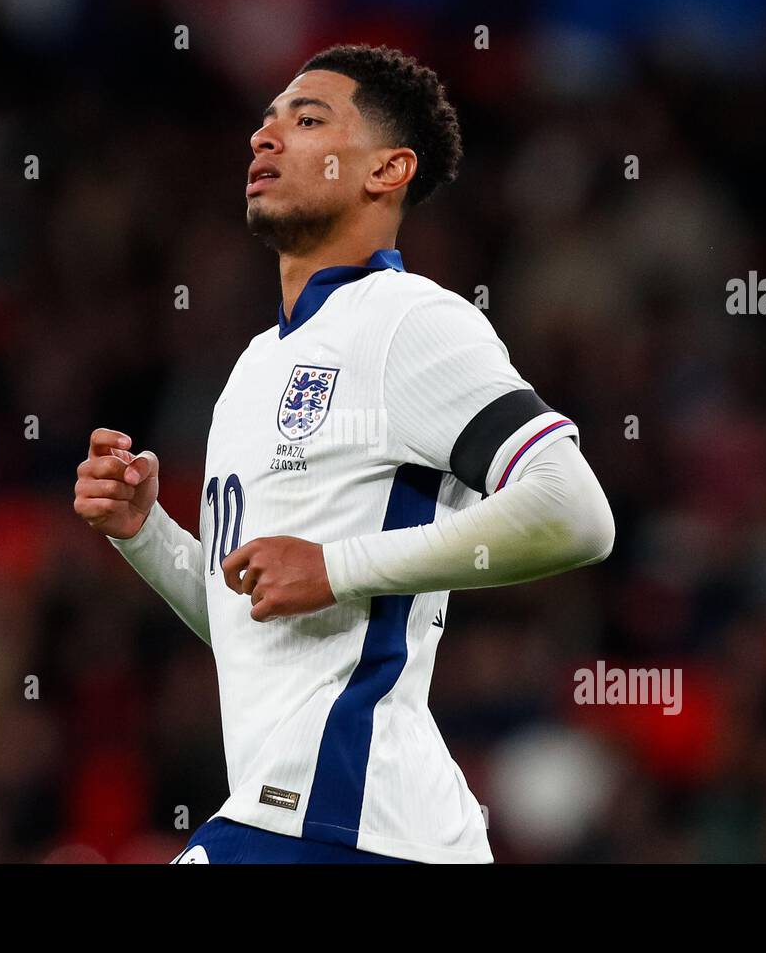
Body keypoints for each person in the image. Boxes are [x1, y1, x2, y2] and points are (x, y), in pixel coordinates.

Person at [74, 44, 614, 863]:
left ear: (387, 169)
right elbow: (253, 624)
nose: (265, 138)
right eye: (265, 121)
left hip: (345, 809)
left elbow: (575, 510)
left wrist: (336, 567)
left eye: (307, 119)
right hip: (323, 820)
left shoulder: (410, 321)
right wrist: (145, 532)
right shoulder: (253, 368)